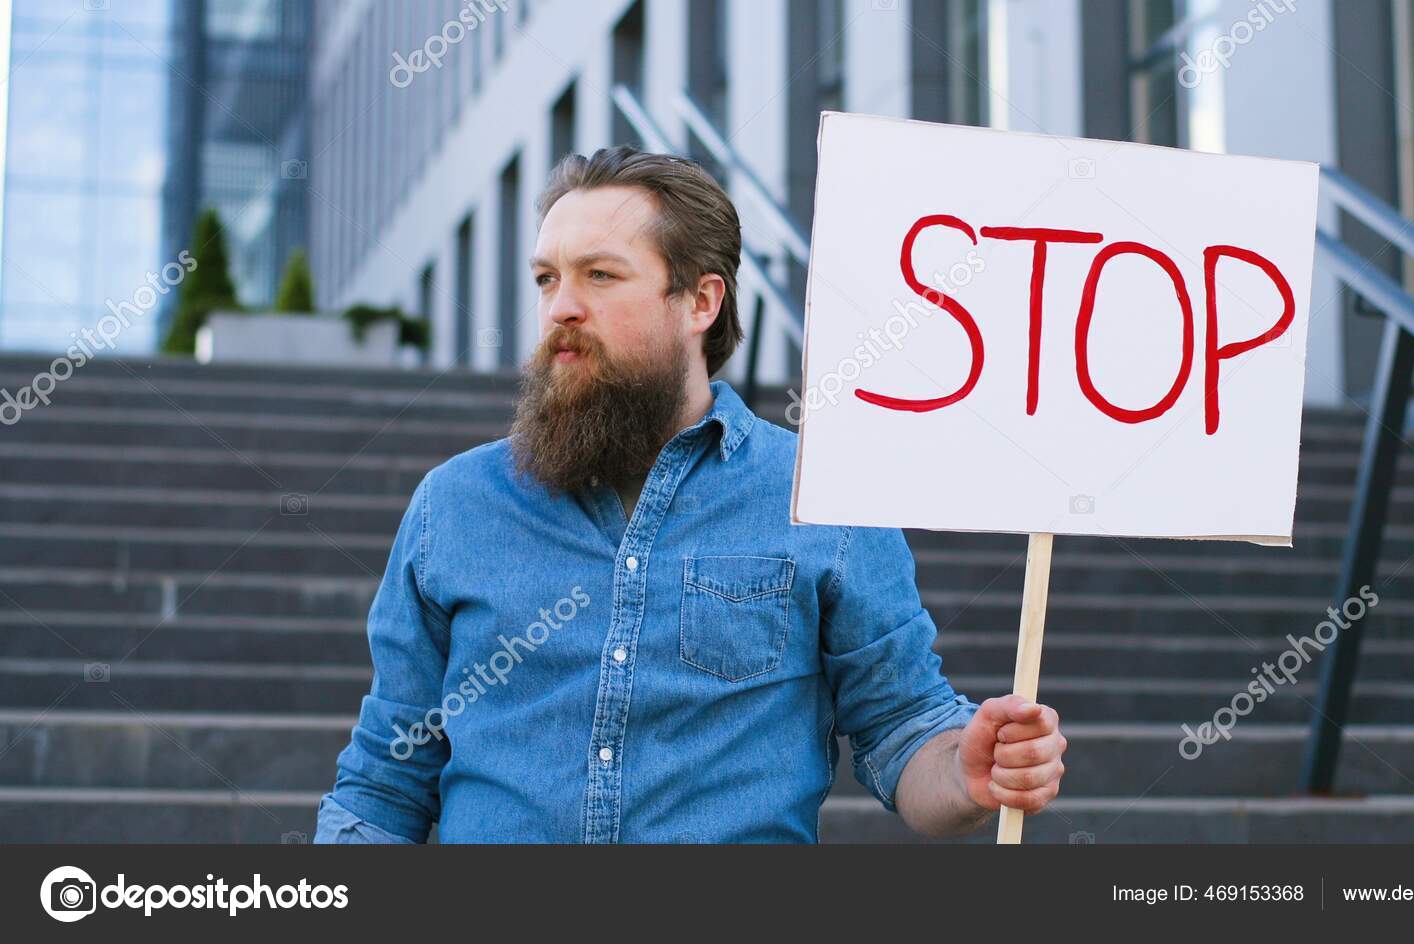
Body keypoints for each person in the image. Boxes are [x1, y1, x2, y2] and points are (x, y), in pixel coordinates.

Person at [315, 147, 1067, 843]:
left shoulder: (821, 499)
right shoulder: (455, 506)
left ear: (701, 301)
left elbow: (903, 726)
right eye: (548, 278)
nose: (559, 309)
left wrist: (972, 773)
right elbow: (386, 777)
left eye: (599, 276)